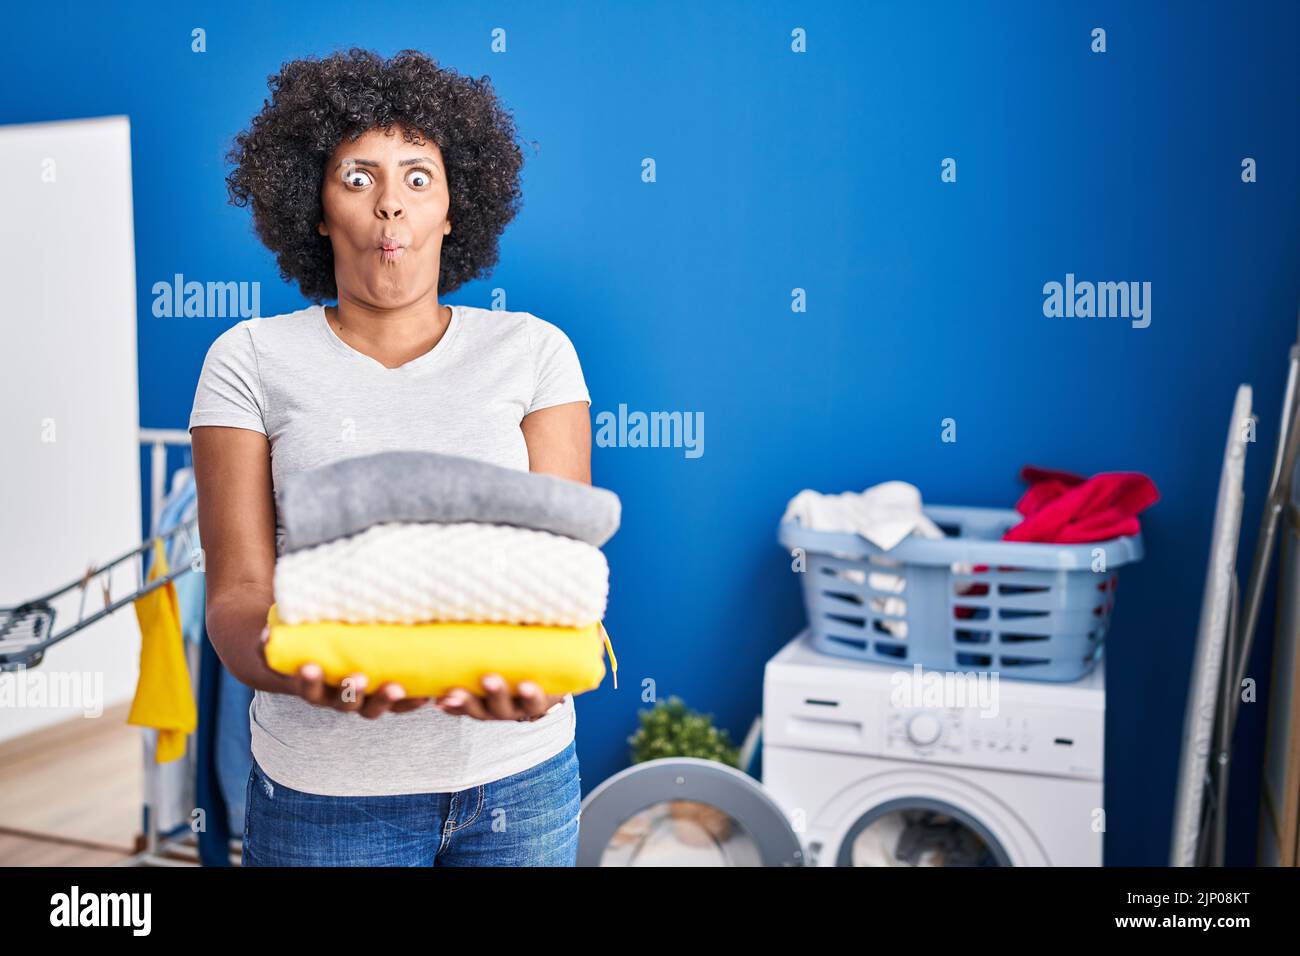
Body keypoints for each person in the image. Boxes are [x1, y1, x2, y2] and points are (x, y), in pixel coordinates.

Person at [190, 48, 591, 866]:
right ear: (315, 206)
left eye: (417, 177)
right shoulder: (248, 359)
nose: (389, 207)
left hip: (519, 786)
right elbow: (235, 597)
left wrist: (545, 674)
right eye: (357, 177)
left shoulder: (535, 352)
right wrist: (313, 667)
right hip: (324, 802)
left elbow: (559, 577)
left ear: (453, 207)